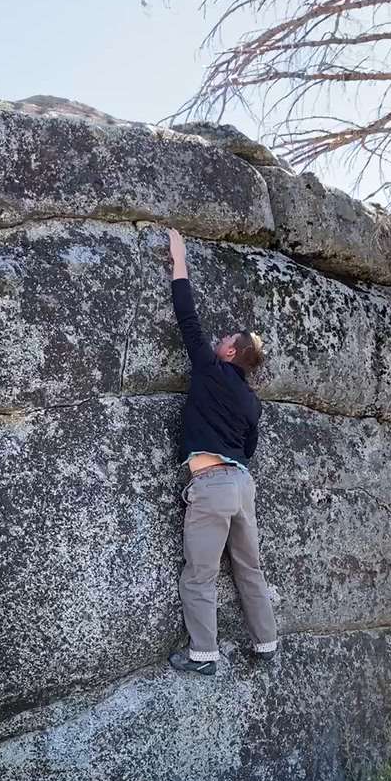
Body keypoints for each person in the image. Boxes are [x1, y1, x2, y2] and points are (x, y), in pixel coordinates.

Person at [165, 228, 278, 676]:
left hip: (211, 485)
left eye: (227, 337)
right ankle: (266, 643)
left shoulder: (210, 368)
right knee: (250, 569)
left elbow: (186, 317)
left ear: (231, 351)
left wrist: (179, 260)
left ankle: (203, 656)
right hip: (242, 486)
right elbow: (249, 448)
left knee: (200, 574)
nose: (220, 338)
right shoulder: (252, 402)